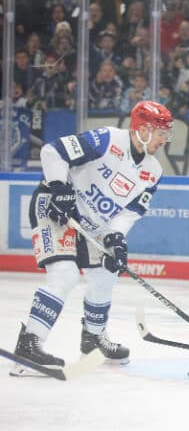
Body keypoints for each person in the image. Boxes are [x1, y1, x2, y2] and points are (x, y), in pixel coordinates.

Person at [11, 101, 173, 374]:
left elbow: (130, 212)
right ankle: (29, 343)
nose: (164, 139)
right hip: (55, 210)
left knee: (106, 272)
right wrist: (59, 187)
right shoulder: (107, 139)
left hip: (93, 225)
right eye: (161, 133)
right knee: (65, 275)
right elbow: (53, 151)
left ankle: (93, 338)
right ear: (143, 129)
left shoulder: (153, 171)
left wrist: (116, 238)